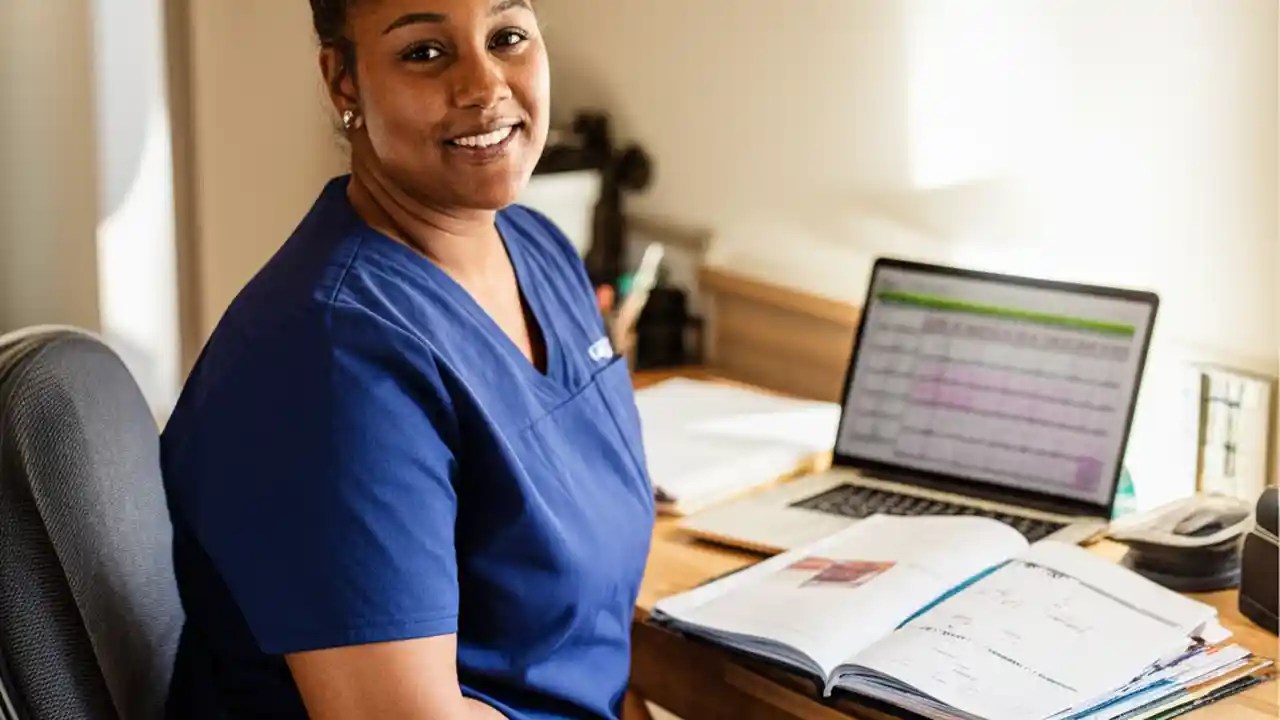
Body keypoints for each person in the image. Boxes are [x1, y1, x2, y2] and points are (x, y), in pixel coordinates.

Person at [160, 0, 655, 717]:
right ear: (344, 83)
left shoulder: (539, 248)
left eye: (507, 37)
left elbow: (590, 655)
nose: (485, 86)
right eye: (425, 52)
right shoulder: (330, 357)